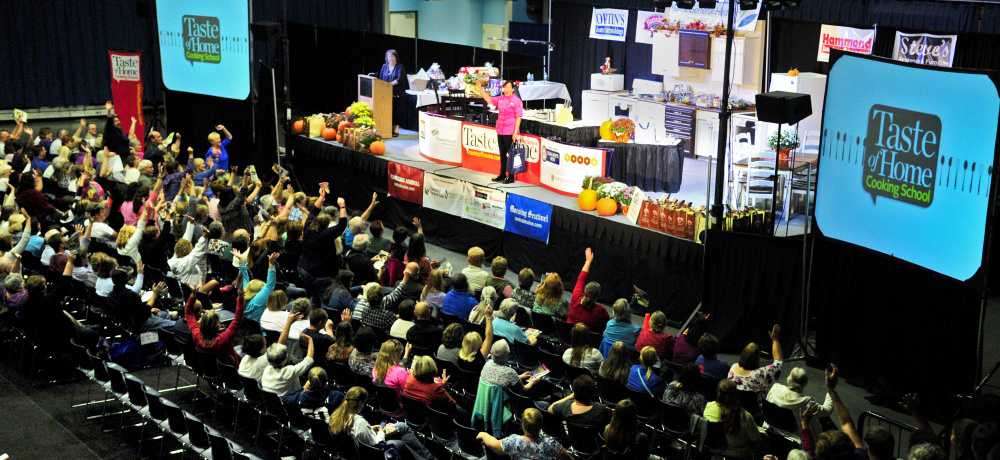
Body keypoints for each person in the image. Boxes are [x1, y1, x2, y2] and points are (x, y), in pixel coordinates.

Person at [329, 386, 434, 460]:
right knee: (401, 439)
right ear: (360, 402)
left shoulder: (336, 416)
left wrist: (370, 428)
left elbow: (358, 432)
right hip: (374, 451)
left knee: (401, 426)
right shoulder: (360, 422)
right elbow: (376, 444)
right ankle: (426, 457)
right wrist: (382, 432)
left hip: (361, 444)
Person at [470, 79, 522, 183]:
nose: (506, 89)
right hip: (500, 130)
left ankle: (510, 176)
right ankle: (502, 174)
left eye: (508, 87)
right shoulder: (501, 98)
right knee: (502, 154)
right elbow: (488, 99)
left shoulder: (517, 101)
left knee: (510, 154)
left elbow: (518, 117)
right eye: (505, 87)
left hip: (510, 131)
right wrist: (480, 88)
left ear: (512, 89)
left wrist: (516, 132)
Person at [185, 285, 245, 367]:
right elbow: (238, 320)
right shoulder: (224, 339)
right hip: (231, 373)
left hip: (208, 371)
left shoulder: (197, 336)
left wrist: (193, 295)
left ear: (201, 324)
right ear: (218, 326)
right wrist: (240, 298)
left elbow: (188, 314)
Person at [478, 408, 571, 460]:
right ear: (540, 426)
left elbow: (493, 445)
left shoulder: (513, 441)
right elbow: (567, 458)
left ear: (523, 425)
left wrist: (483, 434)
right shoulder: (550, 444)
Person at [766, 367, 833, 438]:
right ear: (804, 383)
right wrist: (831, 389)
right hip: (796, 439)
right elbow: (827, 410)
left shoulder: (775, 389)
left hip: (774, 431)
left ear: (789, 378)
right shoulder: (807, 402)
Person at [704, 379, 760, 459]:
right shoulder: (745, 416)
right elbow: (755, 438)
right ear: (736, 394)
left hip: (712, 451)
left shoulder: (708, 407)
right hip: (736, 454)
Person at [729, 324, 784, 400]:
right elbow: (778, 363)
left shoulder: (732, 368)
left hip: (737, 407)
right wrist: (775, 341)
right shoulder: (759, 374)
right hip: (757, 409)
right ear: (757, 359)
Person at [240, 313, 300, 380]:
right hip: (259, 388)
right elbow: (281, 344)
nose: (267, 346)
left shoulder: (245, 358)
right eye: (265, 345)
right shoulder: (262, 361)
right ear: (260, 350)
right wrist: (289, 322)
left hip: (246, 387)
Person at [567, 248, 609, 332]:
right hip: (584, 345)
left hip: (566, 342)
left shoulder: (576, 298)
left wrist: (588, 261)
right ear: (597, 296)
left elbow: (581, 279)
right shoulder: (600, 312)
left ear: (584, 290)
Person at [262, 332, 315, 396]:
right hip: (285, 403)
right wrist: (310, 340)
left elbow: (278, 348)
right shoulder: (289, 372)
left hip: (269, 403)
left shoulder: (266, 369)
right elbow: (309, 360)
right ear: (285, 360)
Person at [378, 49, 406, 137]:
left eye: (392, 56)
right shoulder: (384, 66)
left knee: (396, 112)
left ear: (396, 57)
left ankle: (396, 129)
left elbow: (399, 79)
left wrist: (389, 85)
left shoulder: (400, 67)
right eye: (389, 57)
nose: (390, 58)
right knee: (387, 111)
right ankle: (386, 128)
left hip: (396, 93)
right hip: (385, 94)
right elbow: (381, 78)